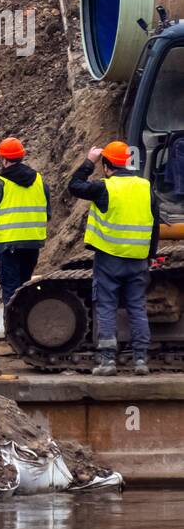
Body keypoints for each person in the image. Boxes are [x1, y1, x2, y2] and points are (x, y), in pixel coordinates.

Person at [68, 141, 162, 376]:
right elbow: (154, 223)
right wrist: (149, 255)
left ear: (107, 164)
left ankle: (108, 361)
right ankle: (141, 360)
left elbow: (74, 186)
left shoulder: (104, 188)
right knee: (136, 307)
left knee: (107, 306)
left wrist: (90, 161)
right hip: (138, 259)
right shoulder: (144, 186)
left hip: (110, 258)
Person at [0, 137, 49, 305]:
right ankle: (26, 328)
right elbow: (48, 212)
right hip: (32, 244)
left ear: (3, 159)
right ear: (22, 157)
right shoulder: (39, 180)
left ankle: (12, 330)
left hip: (8, 245)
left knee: (11, 293)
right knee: (25, 288)